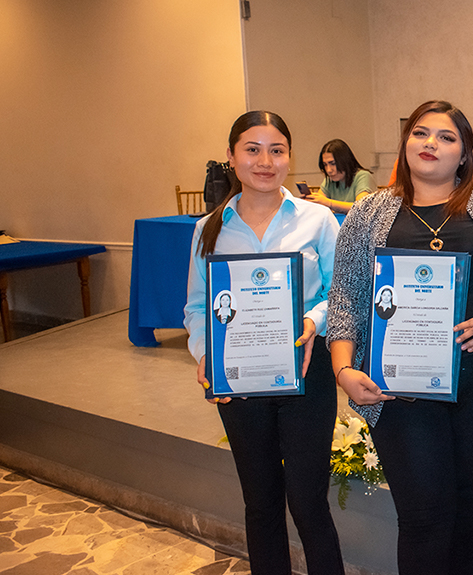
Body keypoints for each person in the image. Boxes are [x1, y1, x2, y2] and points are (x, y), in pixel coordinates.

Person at [326, 100, 473, 575]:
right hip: (400, 391)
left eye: (447, 137)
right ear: (405, 143)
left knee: (471, 503)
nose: (431, 144)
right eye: (421, 133)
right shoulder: (368, 212)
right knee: (423, 515)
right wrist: (343, 370)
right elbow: (345, 296)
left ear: (465, 154)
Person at [182, 111, 345, 575]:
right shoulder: (209, 228)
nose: (265, 162)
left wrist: (313, 320)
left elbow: (341, 292)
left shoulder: (318, 220)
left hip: (307, 371)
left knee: (309, 502)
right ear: (231, 156)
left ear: (290, 157)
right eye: (252, 150)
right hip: (239, 377)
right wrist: (206, 353)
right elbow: (197, 307)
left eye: (277, 150)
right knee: (260, 501)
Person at [305, 139, 375, 214]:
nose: (329, 170)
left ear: (345, 161)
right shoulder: (330, 180)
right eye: (325, 165)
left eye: (333, 163)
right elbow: (320, 203)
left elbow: (360, 207)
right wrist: (310, 201)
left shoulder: (363, 176)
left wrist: (329, 203)